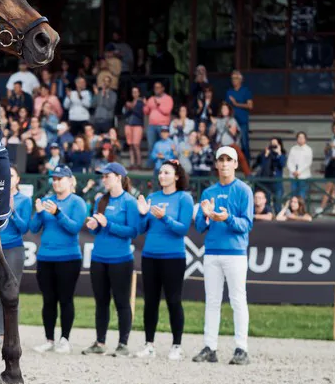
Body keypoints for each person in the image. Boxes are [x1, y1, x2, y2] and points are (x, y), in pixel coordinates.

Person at [192, 146, 254, 366]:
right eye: (222, 160)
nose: (225, 163)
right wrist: (207, 216)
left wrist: (227, 218)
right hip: (212, 253)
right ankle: (210, 347)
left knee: (238, 300)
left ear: (236, 164)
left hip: (235, 253)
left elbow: (246, 225)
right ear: (216, 164)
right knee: (212, 301)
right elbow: (199, 226)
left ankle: (241, 348)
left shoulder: (244, 190)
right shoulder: (208, 193)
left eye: (229, 159)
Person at [134, 160, 193, 360]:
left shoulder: (184, 198)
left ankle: (177, 345)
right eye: (160, 173)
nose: (162, 176)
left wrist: (164, 217)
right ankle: (149, 344)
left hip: (173, 257)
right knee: (150, 301)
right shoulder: (153, 197)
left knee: (173, 301)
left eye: (167, 173)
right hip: (150, 256)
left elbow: (182, 229)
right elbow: (142, 229)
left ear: (177, 176)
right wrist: (142, 214)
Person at [81, 163, 140, 357]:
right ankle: (100, 342)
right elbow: (100, 228)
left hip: (120, 259)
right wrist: (95, 226)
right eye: (103, 176)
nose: (103, 179)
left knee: (122, 302)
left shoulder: (129, 202)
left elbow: (133, 231)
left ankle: (123, 344)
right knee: (101, 302)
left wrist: (108, 224)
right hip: (99, 257)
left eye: (107, 176)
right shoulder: (101, 200)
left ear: (118, 177)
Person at [29, 165, 87, 354]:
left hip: (68, 258)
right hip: (46, 257)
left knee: (65, 299)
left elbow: (74, 228)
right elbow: (34, 228)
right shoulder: (46, 201)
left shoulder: (77, 202)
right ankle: (49, 339)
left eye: (60, 179)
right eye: (54, 179)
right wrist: (39, 213)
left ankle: (65, 339)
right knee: (48, 300)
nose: (56, 182)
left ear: (70, 181)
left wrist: (58, 213)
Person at [0, 166, 32, 350]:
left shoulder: (24, 200)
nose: (8, 178)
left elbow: (24, 228)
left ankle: (12, 335)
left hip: (13, 250)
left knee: (10, 294)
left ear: (17, 179)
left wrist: (12, 211)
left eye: (11, 175)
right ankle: (0, 334)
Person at [226, 70, 253, 159]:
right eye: (232, 78)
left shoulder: (246, 91)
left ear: (241, 80)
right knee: (230, 143)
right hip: (231, 121)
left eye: (236, 78)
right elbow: (226, 106)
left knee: (244, 143)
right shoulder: (229, 92)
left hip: (242, 121)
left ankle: (247, 166)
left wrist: (237, 104)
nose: (234, 80)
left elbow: (250, 105)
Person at [287, 132, 313, 202]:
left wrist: (299, 171)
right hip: (293, 176)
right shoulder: (293, 149)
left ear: (305, 139)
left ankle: (301, 211)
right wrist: (293, 171)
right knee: (293, 194)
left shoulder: (308, 149)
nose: (301, 139)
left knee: (302, 194)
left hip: (304, 176)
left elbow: (308, 162)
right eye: (299, 138)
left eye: (302, 138)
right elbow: (289, 161)